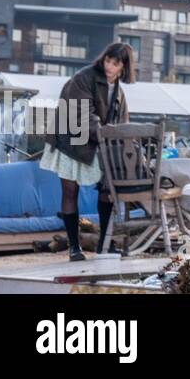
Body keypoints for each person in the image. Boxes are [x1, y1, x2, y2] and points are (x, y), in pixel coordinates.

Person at [39, 41, 134, 260]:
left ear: (124, 67)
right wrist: (106, 134)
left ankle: (103, 244)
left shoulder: (119, 93)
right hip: (70, 141)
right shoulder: (83, 78)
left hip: (98, 143)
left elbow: (122, 124)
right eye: (108, 60)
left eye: (115, 63)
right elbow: (82, 116)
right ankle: (74, 246)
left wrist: (122, 144)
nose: (109, 66)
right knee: (70, 191)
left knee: (107, 190)